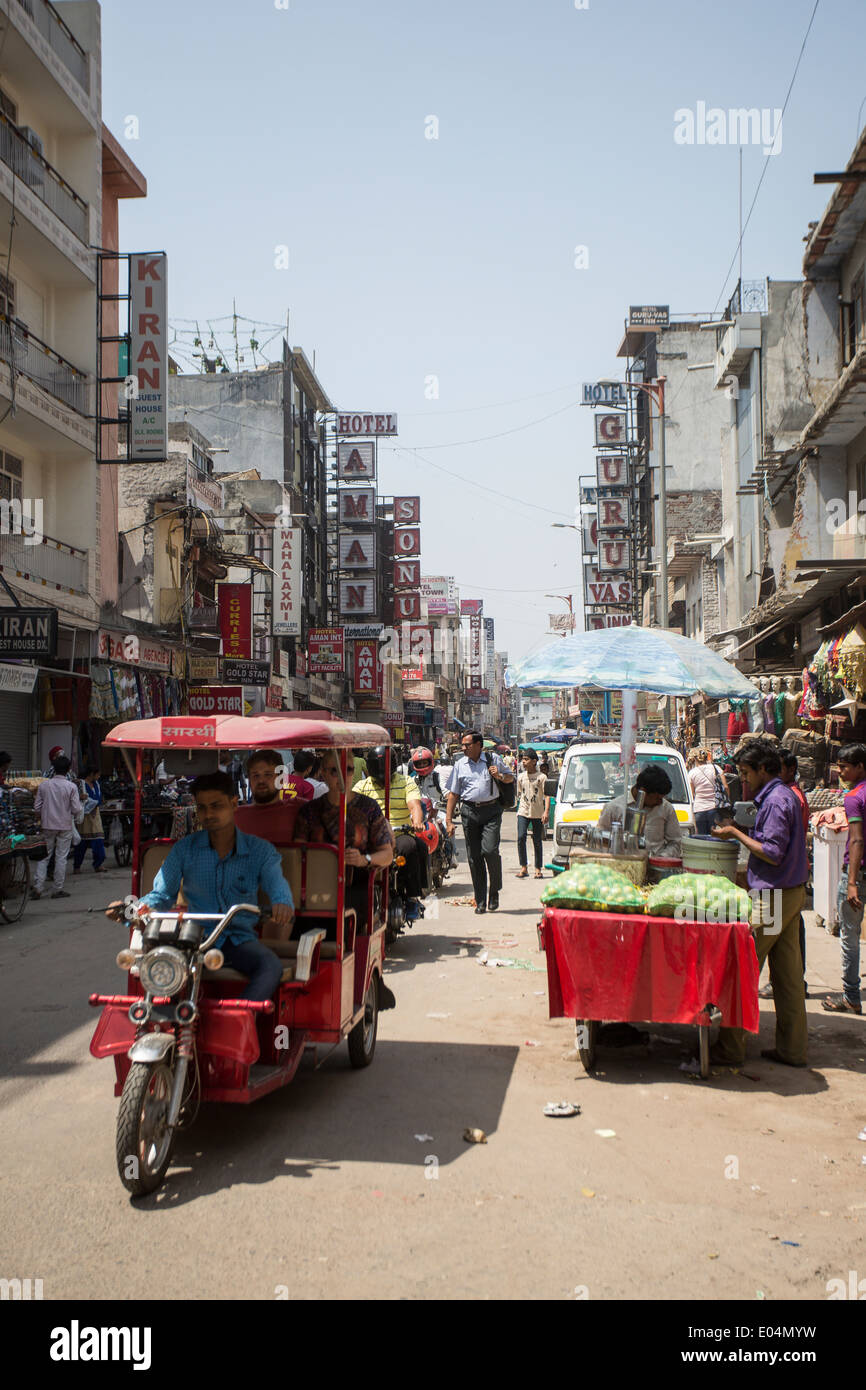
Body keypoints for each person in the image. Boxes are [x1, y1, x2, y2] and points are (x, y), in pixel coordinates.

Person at [110, 771, 295, 1002]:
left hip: (239, 941)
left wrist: (282, 903)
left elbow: (276, 883)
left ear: (234, 804)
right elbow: (162, 894)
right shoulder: (184, 850)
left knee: (270, 967)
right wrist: (133, 909)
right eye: (202, 808)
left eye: (216, 806)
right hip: (192, 939)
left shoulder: (260, 851)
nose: (208, 814)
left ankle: (242, 1022)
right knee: (159, 968)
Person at [710, 740, 808, 1067]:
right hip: (789, 894)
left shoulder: (778, 801)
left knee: (743, 969)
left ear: (764, 769)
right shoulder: (780, 797)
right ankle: (792, 1050)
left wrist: (735, 835)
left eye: (747, 772)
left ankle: (729, 1049)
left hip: (773, 897)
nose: (744, 779)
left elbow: (772, 852)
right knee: (787, 977)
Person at [298, 748, 394, 934]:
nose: (342, 776)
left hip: (355, 886)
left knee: (344, 918)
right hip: (315, 886)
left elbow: (387, 854)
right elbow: (296, 854)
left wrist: (363, 859)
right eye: (334, 770)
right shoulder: (309, 811)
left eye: (348, 769)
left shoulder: (369, 808)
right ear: (323, 773)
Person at [445, 731, 514, 914]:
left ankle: (494, 891)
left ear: (478, 745)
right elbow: (453, 794)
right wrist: (449, 820)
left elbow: (510, 778)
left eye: (467, 745)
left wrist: (499, 775)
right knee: (474, 858)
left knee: (490, 851)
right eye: (463, 745)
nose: (463, 748)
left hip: (491, 811)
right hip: (469, 812)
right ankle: (480, 900)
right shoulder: (460, 764)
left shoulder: (493, 759)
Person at [355, 746, 429, 907]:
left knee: (411, 847)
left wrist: (416, 822)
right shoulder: (362, 786)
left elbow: (415, 805)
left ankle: (412, 896)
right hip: (371, 838)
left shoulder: (406, 782)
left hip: (400, 833)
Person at [823, 743, 866, 1015]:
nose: (840, 771)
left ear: (860, 766)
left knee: (850, 936)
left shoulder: (853, 797)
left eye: (844, 767)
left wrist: (851, 882)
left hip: (857, 875)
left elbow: (857, 839)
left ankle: (851, 996)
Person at [597, 765, 683, 858]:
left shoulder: (666, 808)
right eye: (657, 798)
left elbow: (676, 843)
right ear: (643, 792)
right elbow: (600, 839)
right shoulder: (614, 808)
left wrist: (661, 858)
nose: (660, 802)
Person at [32, 756, 83, 899]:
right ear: (68, 770)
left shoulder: (44, 785)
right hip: (65, 825)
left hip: (47, 825)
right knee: (61, 857)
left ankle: (38, 887)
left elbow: (37, 808)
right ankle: (57, 889)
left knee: (44, 857)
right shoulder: (71, 787)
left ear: (53, 769)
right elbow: (76, 808)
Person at [236, 750, 303, 842]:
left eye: (268, 775)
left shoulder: (301, 809)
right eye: (256, 776)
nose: (261, 781)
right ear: (250, 780)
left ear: (281, 780)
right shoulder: (235, 817)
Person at [515, 749, 549, 880]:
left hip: (537, 813)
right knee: (521, 837)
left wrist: (546, 812)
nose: (523, 762)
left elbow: (546, 796)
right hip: (523, 811)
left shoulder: (542, 777)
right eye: (523, 759)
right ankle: (523, 867)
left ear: (534, 761)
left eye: (526, 759)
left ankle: (538, 869)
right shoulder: (521, 777)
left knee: (537, 841)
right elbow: (520, 794)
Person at [72, 765, 106, 875]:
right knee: (82, 843)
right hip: (84, 816)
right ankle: (77, 866)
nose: (99, 776)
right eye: (97, 774)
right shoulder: (80, 784)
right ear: (92, 773)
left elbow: (99, 798)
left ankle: (98, 864)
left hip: (95, 815)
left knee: (99, 840)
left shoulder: (96, 784)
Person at [688, 748, 728, 835]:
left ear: (695, 759)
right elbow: (725, 786)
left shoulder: (692, 773)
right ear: (706, 757)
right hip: (715, 808)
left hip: (699, 809)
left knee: (702, 839)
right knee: (715, 837)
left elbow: (692, 794)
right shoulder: (716, 768)